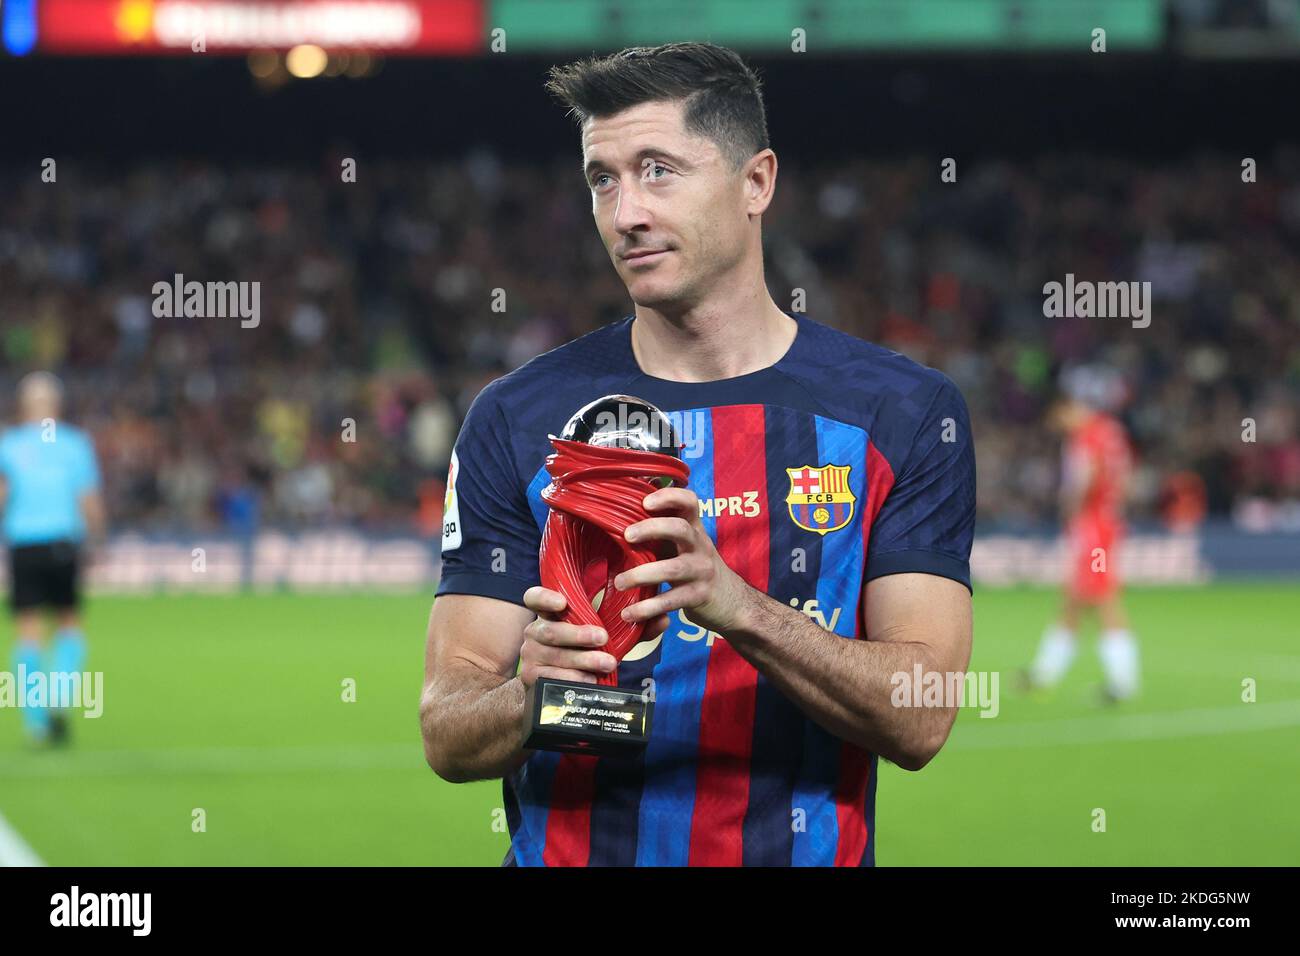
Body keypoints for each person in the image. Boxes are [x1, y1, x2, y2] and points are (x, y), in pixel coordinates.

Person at [419, 42, 976, 866]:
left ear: (757, 182)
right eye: (602, 179)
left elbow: (922, 716)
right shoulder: (516, 417)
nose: (626, 212)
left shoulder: (900, 413)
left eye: (658, 170)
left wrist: (736, 605)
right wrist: (524, 701)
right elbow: (446, 728)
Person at [0, 372, 106, 747]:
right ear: (56, 405)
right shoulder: (75, 444)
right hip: (63, 541)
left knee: (28, 631)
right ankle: (59, 695)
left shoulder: (8, 445)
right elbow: (88, 500)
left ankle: (35, 721)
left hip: (23, 542)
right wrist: (99, 537)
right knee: (68, 623)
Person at [1024, 367, 1139, 702]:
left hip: (1091, 527)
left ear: (1068, 407)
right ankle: (1044, 674)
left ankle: (1123, 683)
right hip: (1107, 520)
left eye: (1058, 417)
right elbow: (1127, 476)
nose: (1058, 425)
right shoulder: (1112, 431)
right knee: (1074, 600)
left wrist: (1070, 510)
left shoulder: (1086, 437)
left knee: (1103, 599)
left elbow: (1083, 480)